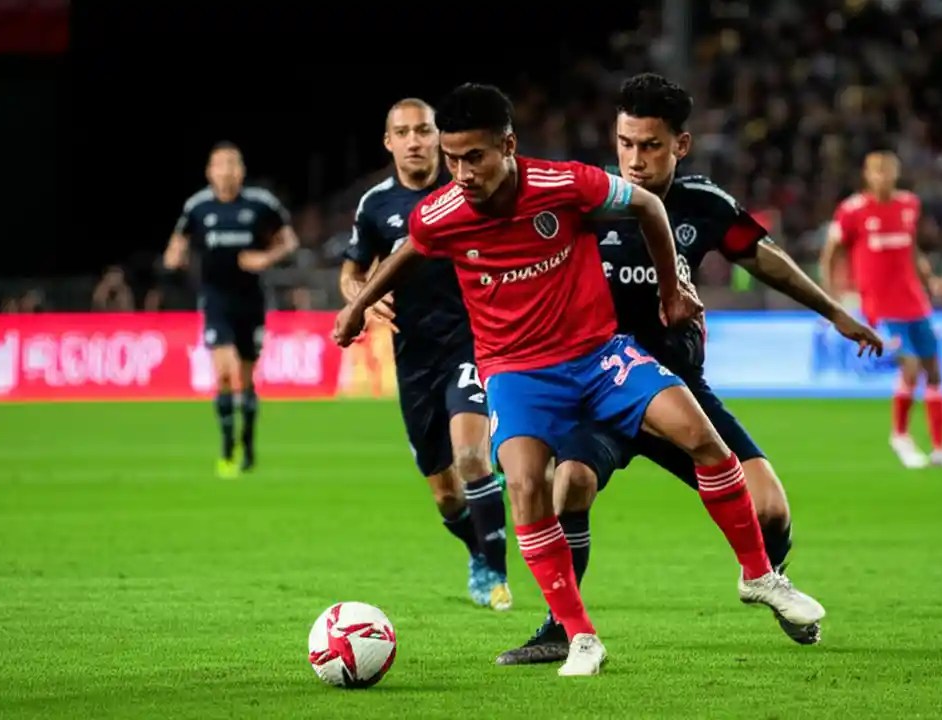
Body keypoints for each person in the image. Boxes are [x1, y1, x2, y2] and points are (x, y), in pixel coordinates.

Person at [333, 83, 850, 677]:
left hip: (599, 357)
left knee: (704, 438)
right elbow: (411, 249)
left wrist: (671, 291)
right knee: (528, 483)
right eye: (452, 159)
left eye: (474, 157)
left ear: (508, 145)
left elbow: (650, 207)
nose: (462, 173)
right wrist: (357, 306)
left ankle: (759, 575)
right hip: (517, 372)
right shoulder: (441, 211)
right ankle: (578, 636)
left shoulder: (566, 184)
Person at [496, 72, 883, 665]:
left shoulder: (703, 204)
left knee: (771, 508)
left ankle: (767, 578)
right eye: (625, 143)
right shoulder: (587, 200)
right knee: (569, 484)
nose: (635, 159)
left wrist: (834, 312)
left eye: (650, 145)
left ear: (681, 144)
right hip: (598, 388)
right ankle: (559, 626)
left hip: (678, 386)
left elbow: (766, 259)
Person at [338, 98, 510, 611]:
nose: (414, 140)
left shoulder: (468, 190)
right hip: (413, 357)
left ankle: (498, 575)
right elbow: (351, 273)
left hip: (470, 343)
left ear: (439, 137)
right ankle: (478, 551)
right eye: (403, 132)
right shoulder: (375, 205)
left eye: (423, 130)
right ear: (388, 142)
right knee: (446, 495)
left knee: (471, 455)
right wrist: (363, 298)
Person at [820, 151, 942, 470]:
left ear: (896, 174)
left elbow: (912, 249)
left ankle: (941, 449)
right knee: (910, 366)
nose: (883, 177)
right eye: (877, 171)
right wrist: (829, 298)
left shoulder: (908, 205)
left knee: (933, 369)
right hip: (880, 305)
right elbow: (831, 253)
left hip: (914, 300)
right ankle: (900, 436)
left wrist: (931, 280)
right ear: (867, 175)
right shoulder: (852, 210)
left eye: (888, 171)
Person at [164, 142, 298, 477]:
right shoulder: (198, 207)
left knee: (247, 378)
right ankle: (227, 446)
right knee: (224, 373)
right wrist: (174, 257)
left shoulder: (261, 204)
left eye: (232, 164)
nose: (226, 171)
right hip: (216, 300)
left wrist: (265, 258)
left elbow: (289, 241)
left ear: (242, 170)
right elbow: (177, 244)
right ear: (209, 172)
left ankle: (248, 442)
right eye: (220, 164)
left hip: (251, 300)